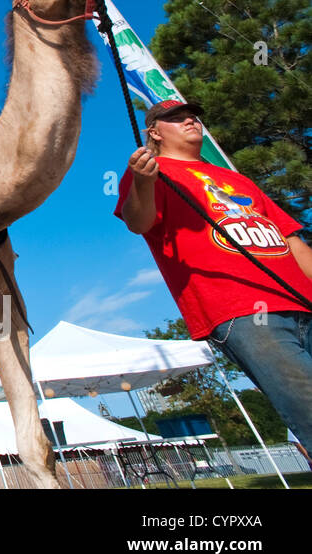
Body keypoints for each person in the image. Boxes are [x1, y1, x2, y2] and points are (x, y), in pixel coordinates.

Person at [116, 98, 312, 448]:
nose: (189, 120)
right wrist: (144, 183)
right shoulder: (147, 172)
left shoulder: (237, 179)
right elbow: (138, 222)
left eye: (192, 115)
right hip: (242, 310)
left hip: (303, 301)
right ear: (154, 132)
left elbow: (294, 242)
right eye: (175, 118)